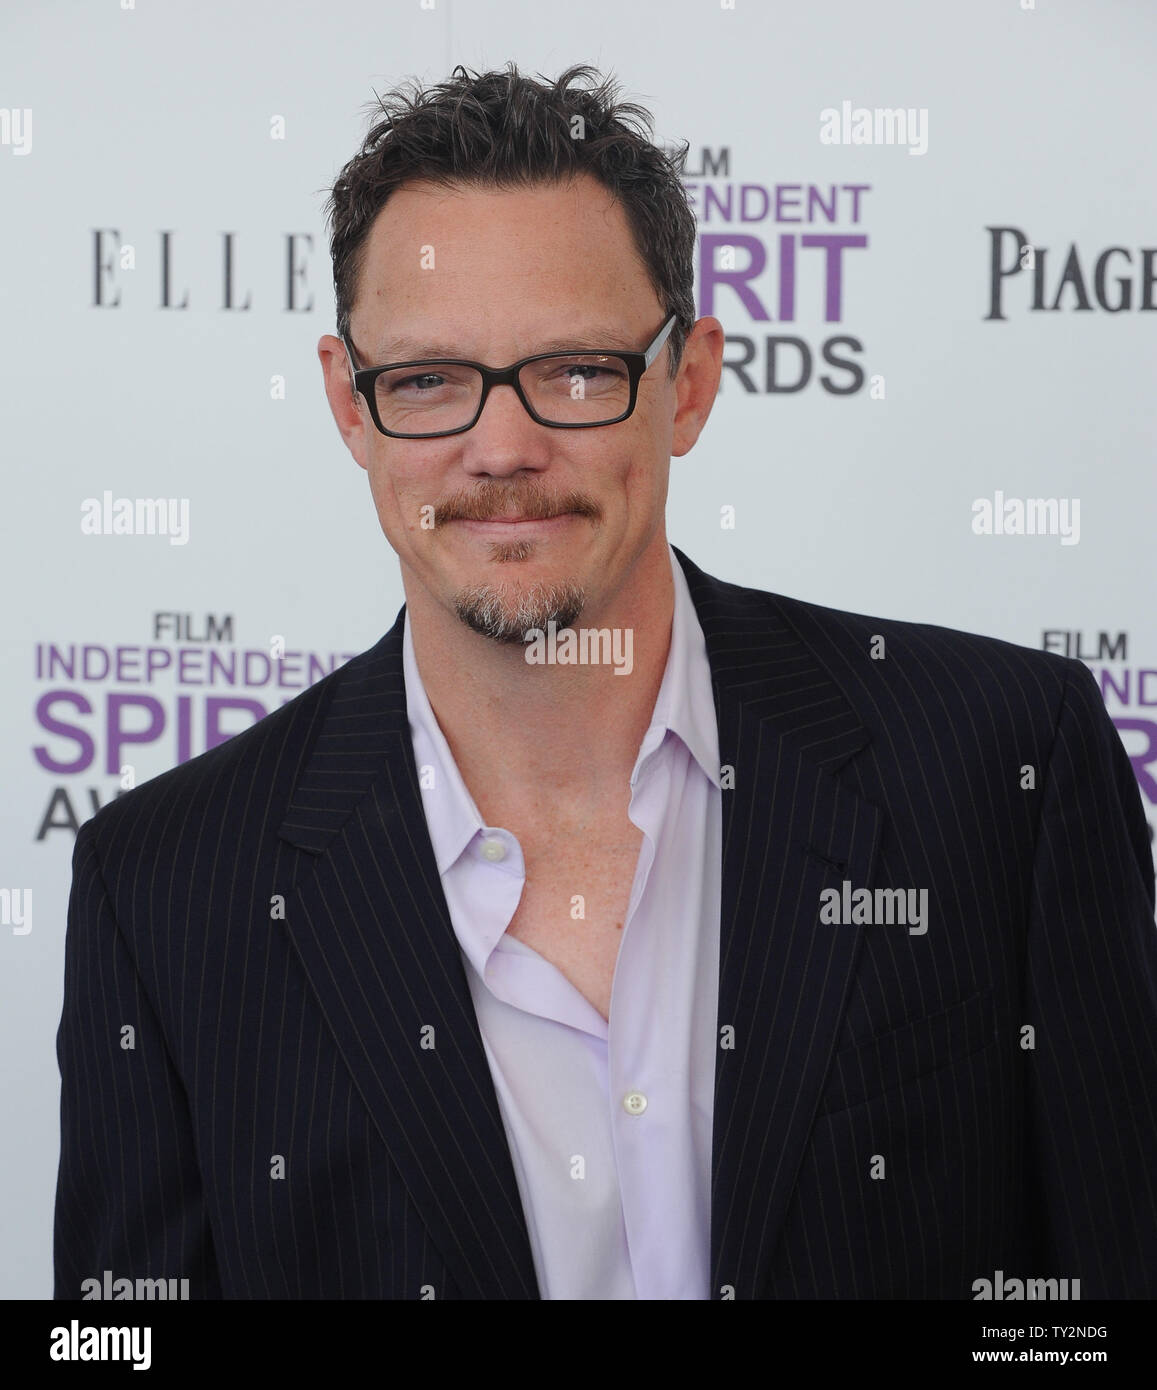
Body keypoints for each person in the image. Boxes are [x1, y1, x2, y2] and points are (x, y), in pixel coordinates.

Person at [54, 62, 1157, 1301]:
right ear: (347, 406)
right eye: (427, 380)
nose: (503, 448)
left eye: (577, 370)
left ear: (685, 383)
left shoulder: (1004, 769)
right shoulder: (166, 890)